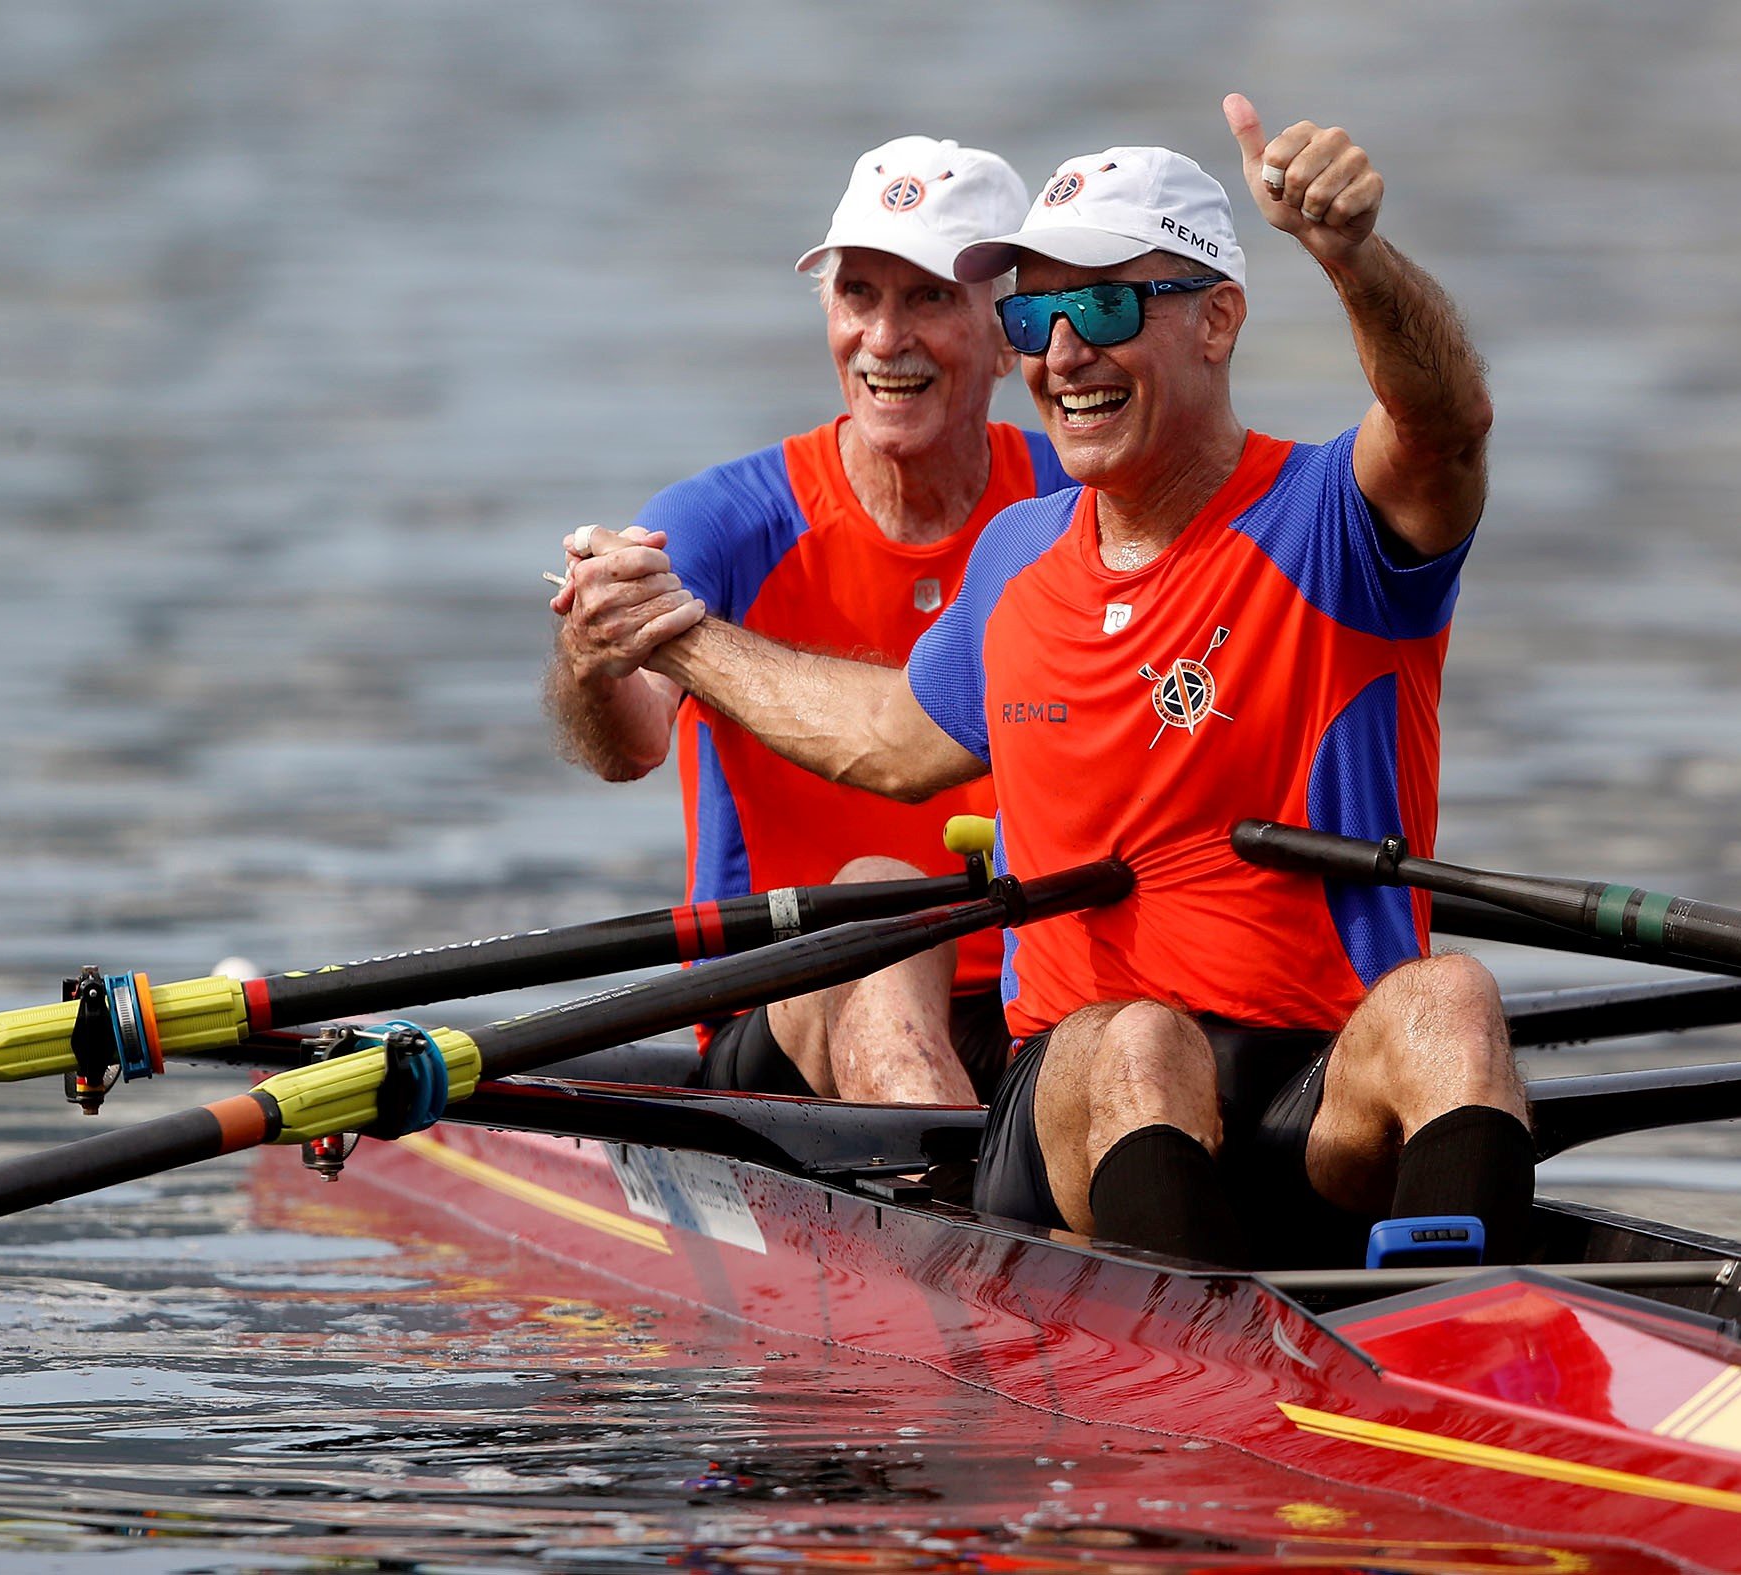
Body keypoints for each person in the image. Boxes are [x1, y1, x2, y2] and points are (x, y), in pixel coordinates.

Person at [606, 96, 1531, 1269]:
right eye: (1032, 315)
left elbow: (1446, 425)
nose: (1059, 355)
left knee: (1450, 999)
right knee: (1143, 1044)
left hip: (1311, 1081)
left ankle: (1472, 1335)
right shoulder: (1020, 551)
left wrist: (1348, 256)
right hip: (1082, 1090)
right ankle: (1210, 1361)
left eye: (1099, 306)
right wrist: (680, 637)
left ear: (1218, 321)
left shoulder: (1336, 523)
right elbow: (888, 740)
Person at [544, 136, 1068, 1106]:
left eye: (929, 299)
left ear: (1010, 335)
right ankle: (950, 1219)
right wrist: (593, 657)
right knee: (873, 890)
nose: (883, 338)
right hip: (783, 999)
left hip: (1042, 993)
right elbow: (630, 749)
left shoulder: (1076, 504)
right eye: (858, 295)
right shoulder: (729, 520)